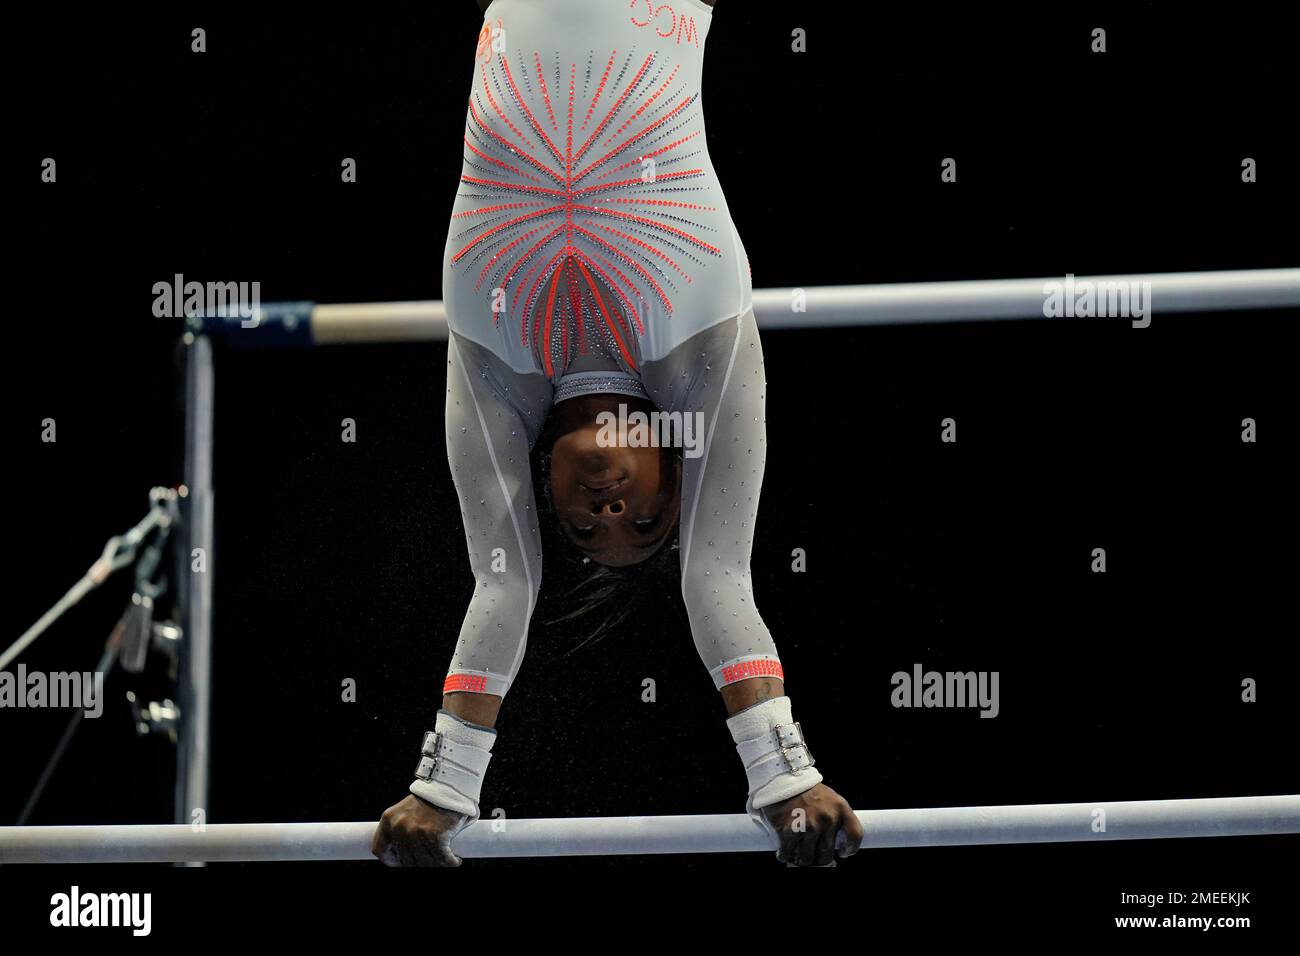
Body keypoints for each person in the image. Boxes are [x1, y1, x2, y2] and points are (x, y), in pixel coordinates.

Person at [374, 0, 863, 867]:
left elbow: (503, 583)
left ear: (547, 491)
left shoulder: (494, 371)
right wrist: (785, 775)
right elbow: (716, 575)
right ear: (679, 461)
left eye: (582, 528)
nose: (608, 511)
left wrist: (442, 786)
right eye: (645, 521)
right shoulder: (703, 357)